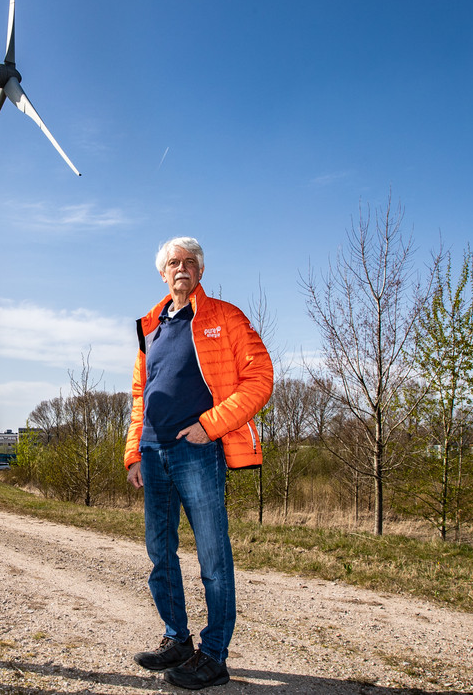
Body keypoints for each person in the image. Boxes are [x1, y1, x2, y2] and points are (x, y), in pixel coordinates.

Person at [125, 237, 273, 690]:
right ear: (163, 272)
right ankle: (178, 639)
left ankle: (214, 655)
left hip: (197, 450)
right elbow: (139, 396)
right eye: (173, 263)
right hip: (152, 452)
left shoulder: (225, 317)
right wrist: (133, 451)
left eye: (190, 262)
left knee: (212, 556)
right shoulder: (149, 325)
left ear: (201, 270)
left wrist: (210, 425)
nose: (181, 268)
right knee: (160, 554)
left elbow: (260, 379)